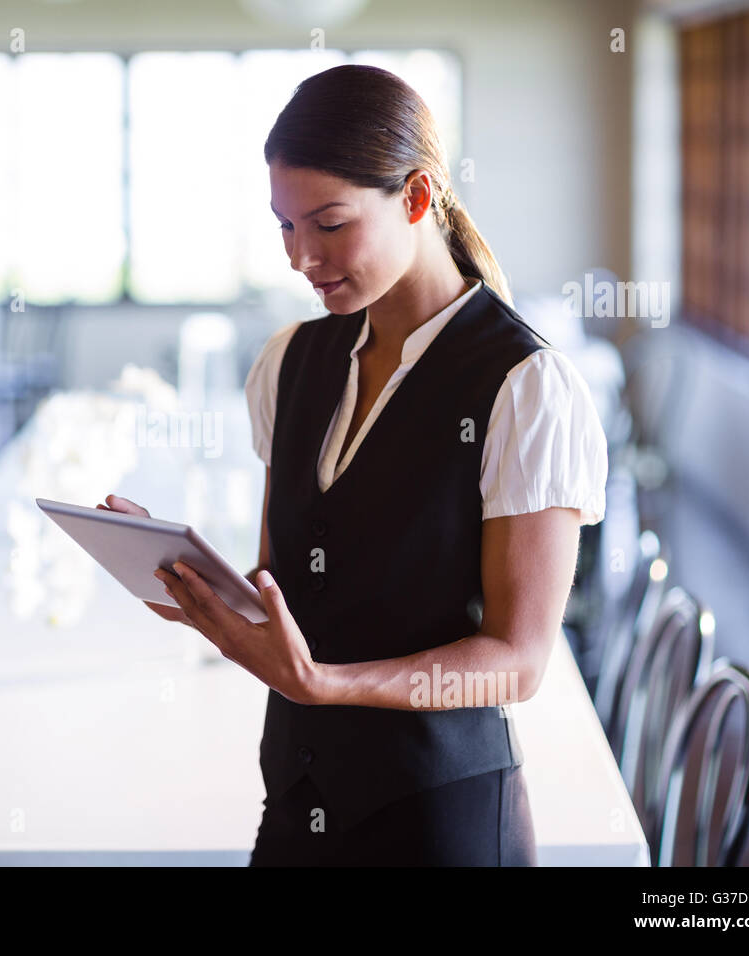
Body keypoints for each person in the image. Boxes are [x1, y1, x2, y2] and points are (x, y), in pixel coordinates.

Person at [101, 64, 608, 865]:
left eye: (329, 224)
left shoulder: (526, 387)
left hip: (442, 825)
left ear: (415, 197)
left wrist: (328, 685)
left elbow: (517, 661)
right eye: (285, 227)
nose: (302, 258)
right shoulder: (290, 362)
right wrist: (202, 592)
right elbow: (288, 587)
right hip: (296, 808)